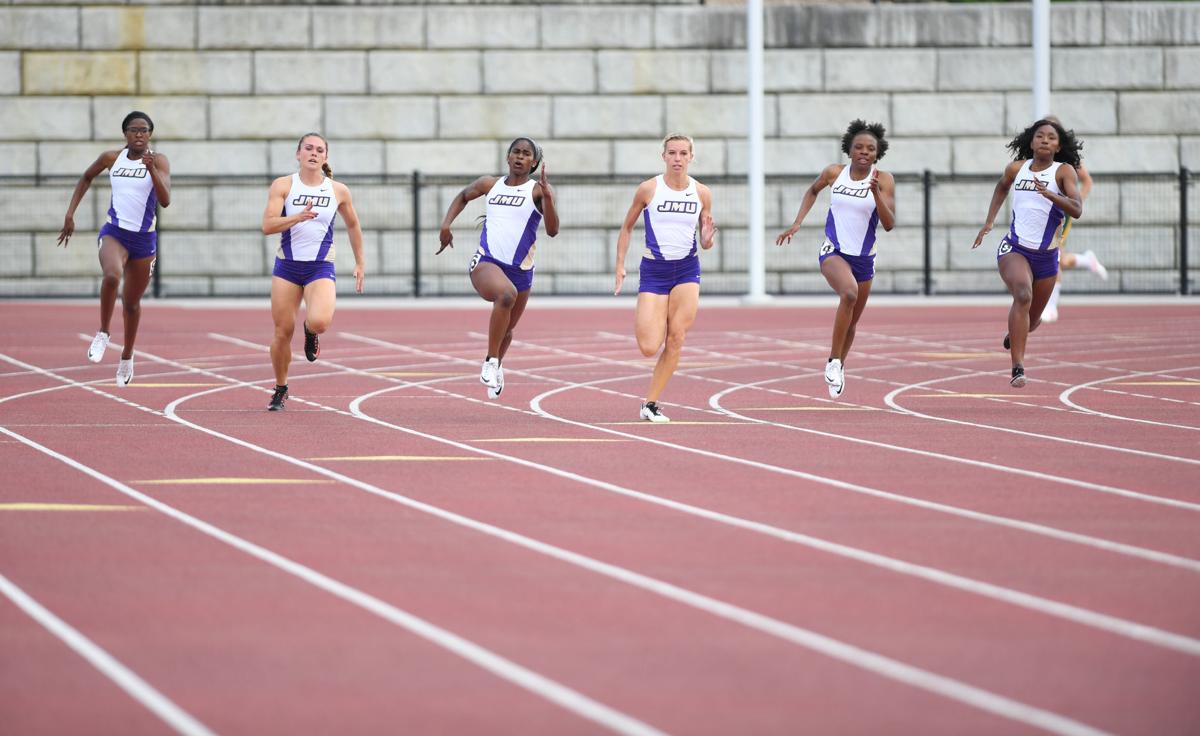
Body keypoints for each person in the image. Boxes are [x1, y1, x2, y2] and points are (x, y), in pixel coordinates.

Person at [775, 120, 895, 399]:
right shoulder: (834, 173)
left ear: (877, 153)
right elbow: (813, 191)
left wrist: (876, 193)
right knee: (849, 293)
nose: (864, 152)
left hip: (865, 257)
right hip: (834, 251)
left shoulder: (884, 179)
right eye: (858, 148)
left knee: (852, 321)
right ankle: (833, 360)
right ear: (849, 150)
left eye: (870, 149)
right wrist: (797, 223)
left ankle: (838, 364)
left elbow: (889, 224)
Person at [436, 137, 558, 399]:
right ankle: (491, 361)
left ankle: (498, 364)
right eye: (516, 152)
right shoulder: (489, 184)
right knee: (505, 295)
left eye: (526, 154)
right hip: (486, 261)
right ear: (508, 156)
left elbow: (552, 230)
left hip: (522, 270)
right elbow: (462, 196)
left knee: (508, 329)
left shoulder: (538, 191)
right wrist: (446, 225)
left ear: (534, 162)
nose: (520, 157)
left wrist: (548, 198)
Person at [57, 111, 171, 386]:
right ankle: (103, 332)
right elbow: (86, 177)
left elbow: (165, 200)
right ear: (125, 134)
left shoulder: (158, 160)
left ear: (150, 134)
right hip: (115, 232)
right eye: (134, 130)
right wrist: (70, 214)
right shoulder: (112, 158)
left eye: (144, 130)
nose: (139, 134)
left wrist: (151, 170)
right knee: (111, 276)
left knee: (131, 304)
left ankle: (127, 357)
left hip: (144, 239)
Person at [972, 118, 1084, 388]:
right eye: (1040, 136)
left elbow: (1077, 209)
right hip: (1014, 248)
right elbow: (1001, 187)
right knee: (1022, 294)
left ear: (1058, 147)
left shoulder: (1063, 172)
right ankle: (1017, 367)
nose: (1045, 140)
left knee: (1033, 322)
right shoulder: (1016, 169)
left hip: (1047, 256)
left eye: (1051, 138)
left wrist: (1051, 195)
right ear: (1031, 142)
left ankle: (1016, 332)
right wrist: (989, 222)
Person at [613, 134, 716, 422]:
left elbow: (706, 238)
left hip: (686, 270)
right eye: (672, 153)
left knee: (677, 338)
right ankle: (657, 319)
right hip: (654, 271)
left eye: (683, 153)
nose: (678, 158)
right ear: (664, 156)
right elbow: (627, 228)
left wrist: (707, 240)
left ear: (691, 157)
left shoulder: (702, 193)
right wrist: (620, 265)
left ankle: (651, 403)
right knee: (648, 346)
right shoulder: (649, 189)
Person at [261, 133, 365, 411]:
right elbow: (268, 225)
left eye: (320, 150)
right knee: (282, 331)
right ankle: (281, 388)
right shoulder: (283, 185)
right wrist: (297, 216)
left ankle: (310, 331)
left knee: (320, 321)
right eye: (308, 148)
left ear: (325, 157)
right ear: (298, 154)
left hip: (320, 266)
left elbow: (354, 225)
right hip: (288, 267)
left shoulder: (338, 190)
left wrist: (359, 262)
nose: (314, 153)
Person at [1041, 115, 1104, 323]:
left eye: (1052, 135)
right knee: (1053, 255)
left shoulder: (1068, 157)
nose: (1046, 140)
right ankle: (1087, 260)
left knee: (1055, 255)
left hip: (1061, 214)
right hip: (1042, 212)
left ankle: (1051, 306)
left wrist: (1074, 204)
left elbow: (1087, 182)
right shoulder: (1038, 156)